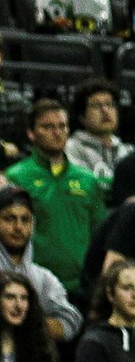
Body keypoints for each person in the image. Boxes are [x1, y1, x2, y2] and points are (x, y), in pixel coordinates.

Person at [7, 98, 107, 298]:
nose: (57, 132)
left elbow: (100, 232)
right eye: (48, 127)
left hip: (81, 286)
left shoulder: (87, 180)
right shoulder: (16, 177)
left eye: (62, 126)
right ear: (31, 133)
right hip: (32, 285)